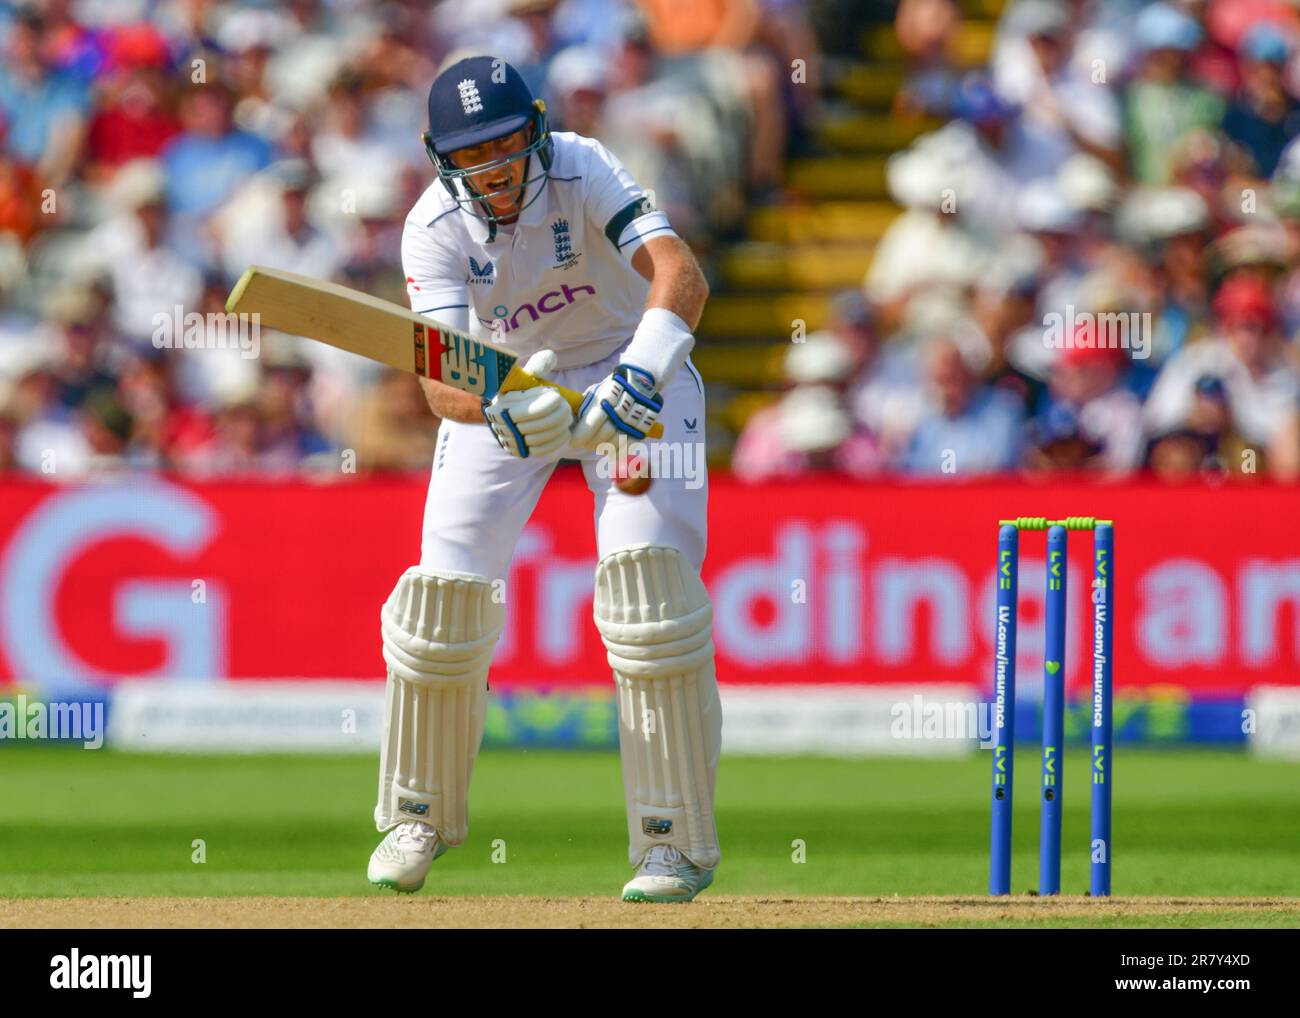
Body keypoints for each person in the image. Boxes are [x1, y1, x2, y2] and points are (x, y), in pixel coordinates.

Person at [366, 57, 718, 903]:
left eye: (507, 143)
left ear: (536, 126)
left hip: (634, 377)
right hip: (509, 387)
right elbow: (440, 382)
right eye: (472, 154)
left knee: (650, 599)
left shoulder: (582, 163)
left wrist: (637, 376)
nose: (494, 168)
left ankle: (673, 845)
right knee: (441, 596)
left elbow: (681, 274)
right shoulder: (430, 227)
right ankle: (416, 814)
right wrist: (497, 409)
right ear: (438, 156)